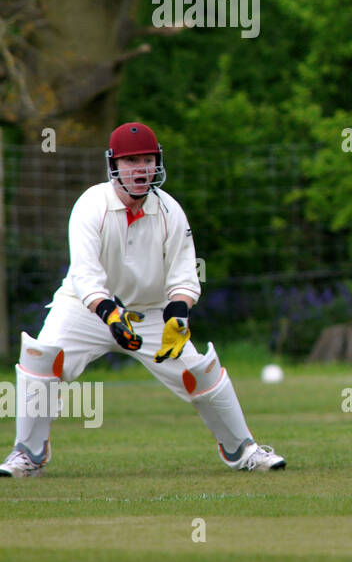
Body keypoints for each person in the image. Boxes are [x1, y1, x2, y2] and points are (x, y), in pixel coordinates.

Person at [0, 122, 285, 477]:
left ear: (157, 162)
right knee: (41, 359)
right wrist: (109, 315)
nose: (140, 168)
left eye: (147, 160)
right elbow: (86, 275)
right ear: (114, 165)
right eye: (130, 160)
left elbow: (184, 275)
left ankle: (244, 451)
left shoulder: (170, 212)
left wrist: (177, 318)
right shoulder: (90, 205)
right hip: (86, 308)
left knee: (201, 373)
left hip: (150, 314)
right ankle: (28, 453)